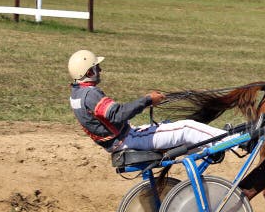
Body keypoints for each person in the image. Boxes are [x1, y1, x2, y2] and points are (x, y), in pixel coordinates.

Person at [68, 50, 228, 153]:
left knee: (172, 127)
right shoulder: (91, 94)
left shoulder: (77, 94)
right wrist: (148, 100)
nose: (100, 70)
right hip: (127, 139)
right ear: (89, 72)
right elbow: (118, 114)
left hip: (119, 141)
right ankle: (231, 141)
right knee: (187, 128)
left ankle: (214, 148)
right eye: (97, 67)